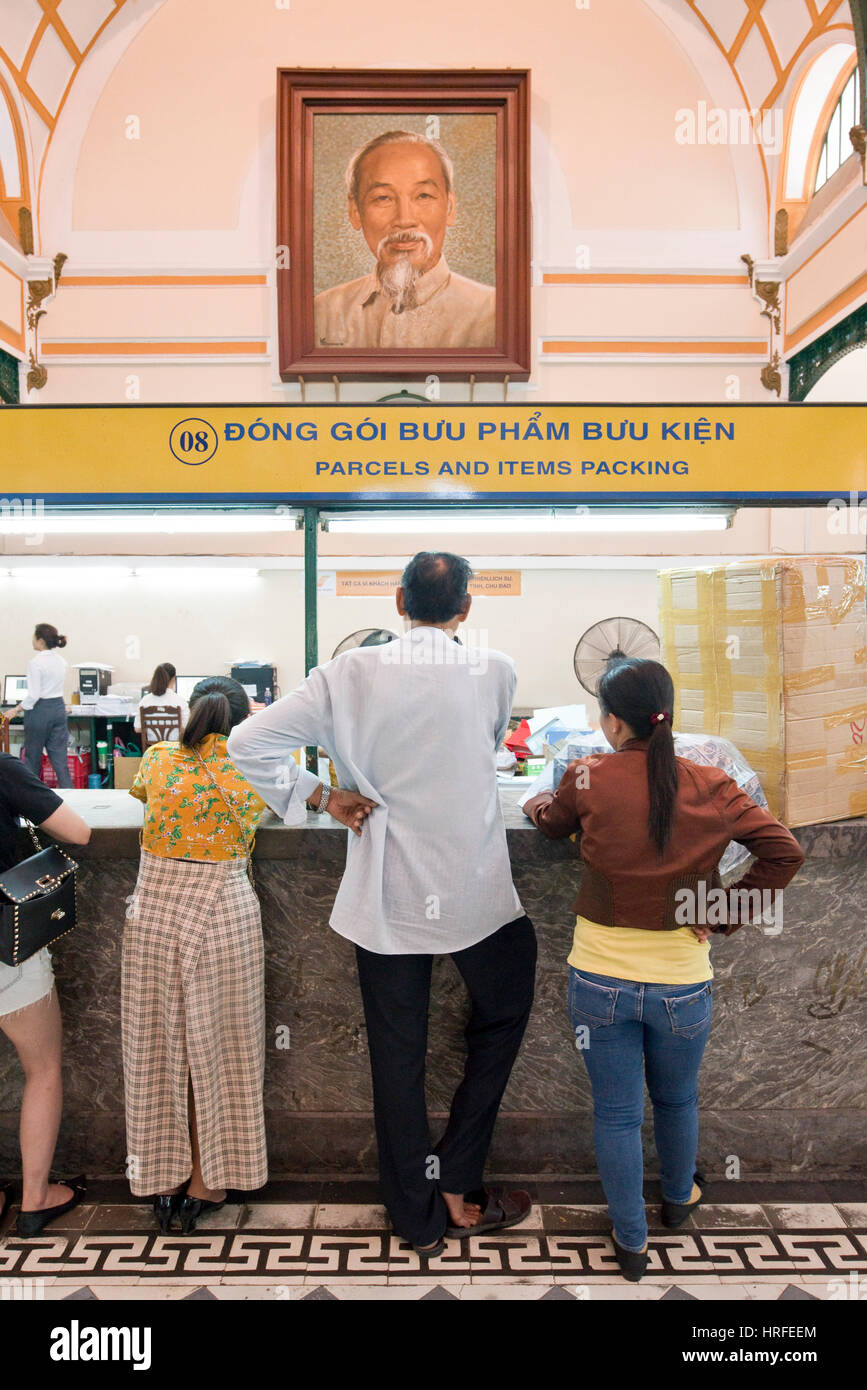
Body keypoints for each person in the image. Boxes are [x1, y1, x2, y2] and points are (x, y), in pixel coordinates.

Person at [228, 553, 535, 1256]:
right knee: (504, 1010)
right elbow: (483, 753)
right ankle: (458, 1179)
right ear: (465, 609)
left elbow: (247, 742)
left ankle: (415, 1219)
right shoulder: (496, 669)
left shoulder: (346, 674)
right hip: (472, 889)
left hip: (386, 892)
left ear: (398, 602)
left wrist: (319, 795)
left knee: (395, 1059)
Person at [522, 658, 805, 1281]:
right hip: (683, 983)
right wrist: (720, 910)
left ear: (613, 724)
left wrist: (540, 796)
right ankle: (679, 1202)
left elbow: (551, 825)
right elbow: (785, 851)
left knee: (617, 1114)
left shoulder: (587, 774)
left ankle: (631, 1242)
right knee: (677, 1099)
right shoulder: (712, 782)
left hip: (598, 981)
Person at [123, 675, 370, 1234]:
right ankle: (211, 1181)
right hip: (221, 910)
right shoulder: (256, 768)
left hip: (153, 914)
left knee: (154, 1047)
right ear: (248, 720)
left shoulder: (159, 759)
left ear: (192, 711)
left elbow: (143, 800)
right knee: (225, 1048)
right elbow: (310, 803)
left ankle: (162, 1176)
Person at [0, 752, 91, 1236]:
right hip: (5, 953)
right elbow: (78, 832)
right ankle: (35, 1199)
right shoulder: (3, 770)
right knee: (42, 1070)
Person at [313, 130, 496, 350]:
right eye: (383, 198)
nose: (404, 219)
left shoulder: (493, 313)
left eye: (423, 196)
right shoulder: (323, 312)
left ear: (449, 207)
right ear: (355, 211)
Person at [7, 623, 72, 787]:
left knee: (32, 759)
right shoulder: (61, 661)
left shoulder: (35, 663)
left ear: (40, 640)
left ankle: (31, 799)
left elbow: (34, 695)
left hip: (40, 711)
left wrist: (16, 709)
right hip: (58, 708)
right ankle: (73, 800)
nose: (32, 640)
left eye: (34, 637)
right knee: (60, 761)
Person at [134, 662, 189, 737]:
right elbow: (185, 729)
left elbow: (137, 729)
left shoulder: (145, 701)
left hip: (154, 748)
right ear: (173, 679)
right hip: (174, 748)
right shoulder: (180, 701)